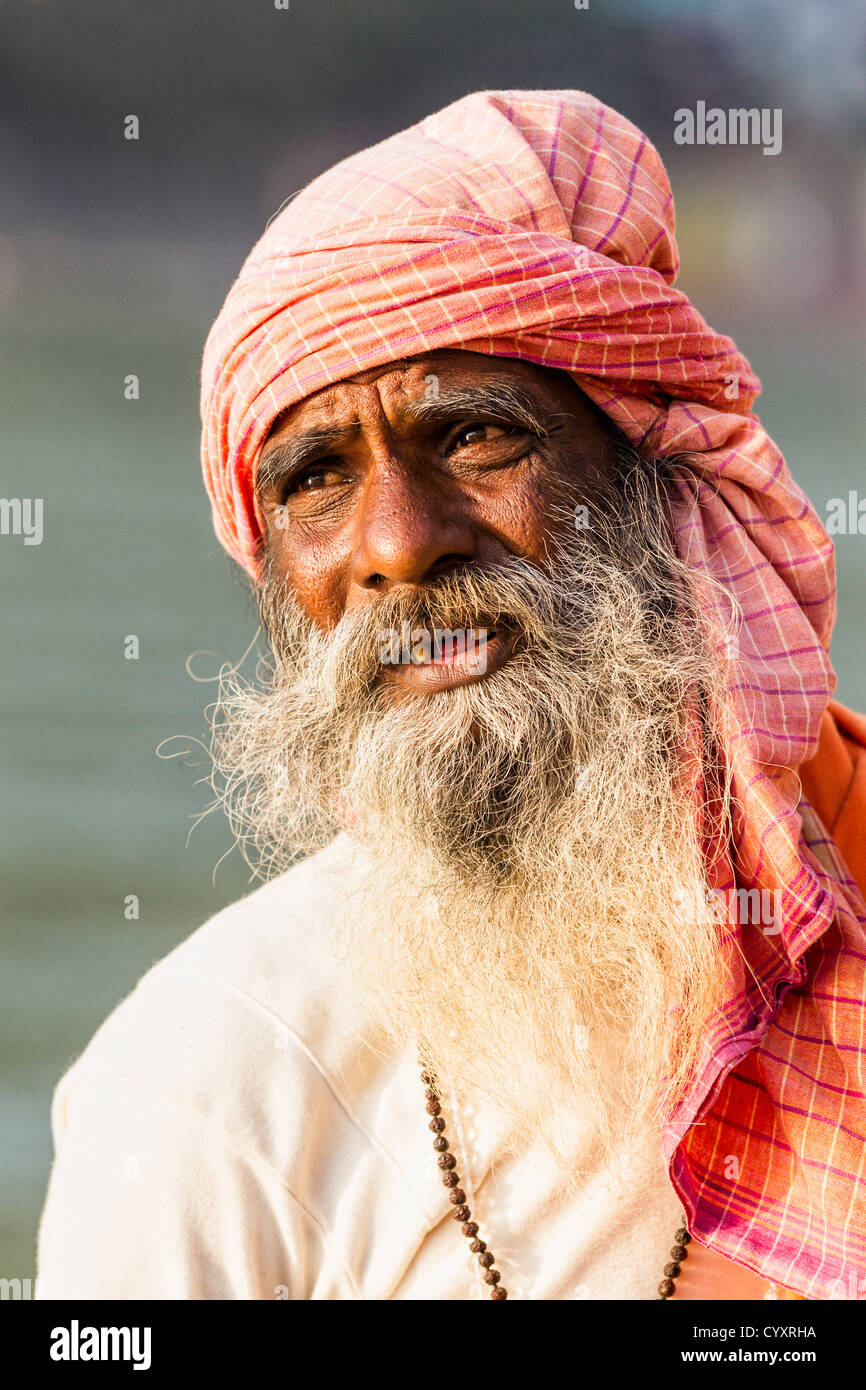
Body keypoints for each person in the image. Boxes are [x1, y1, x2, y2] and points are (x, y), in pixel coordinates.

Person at [36, 89, 866, 1301]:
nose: (396, 544)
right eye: (316, 476)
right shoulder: (205, 1088)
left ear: (655, 478)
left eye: (476, 437)